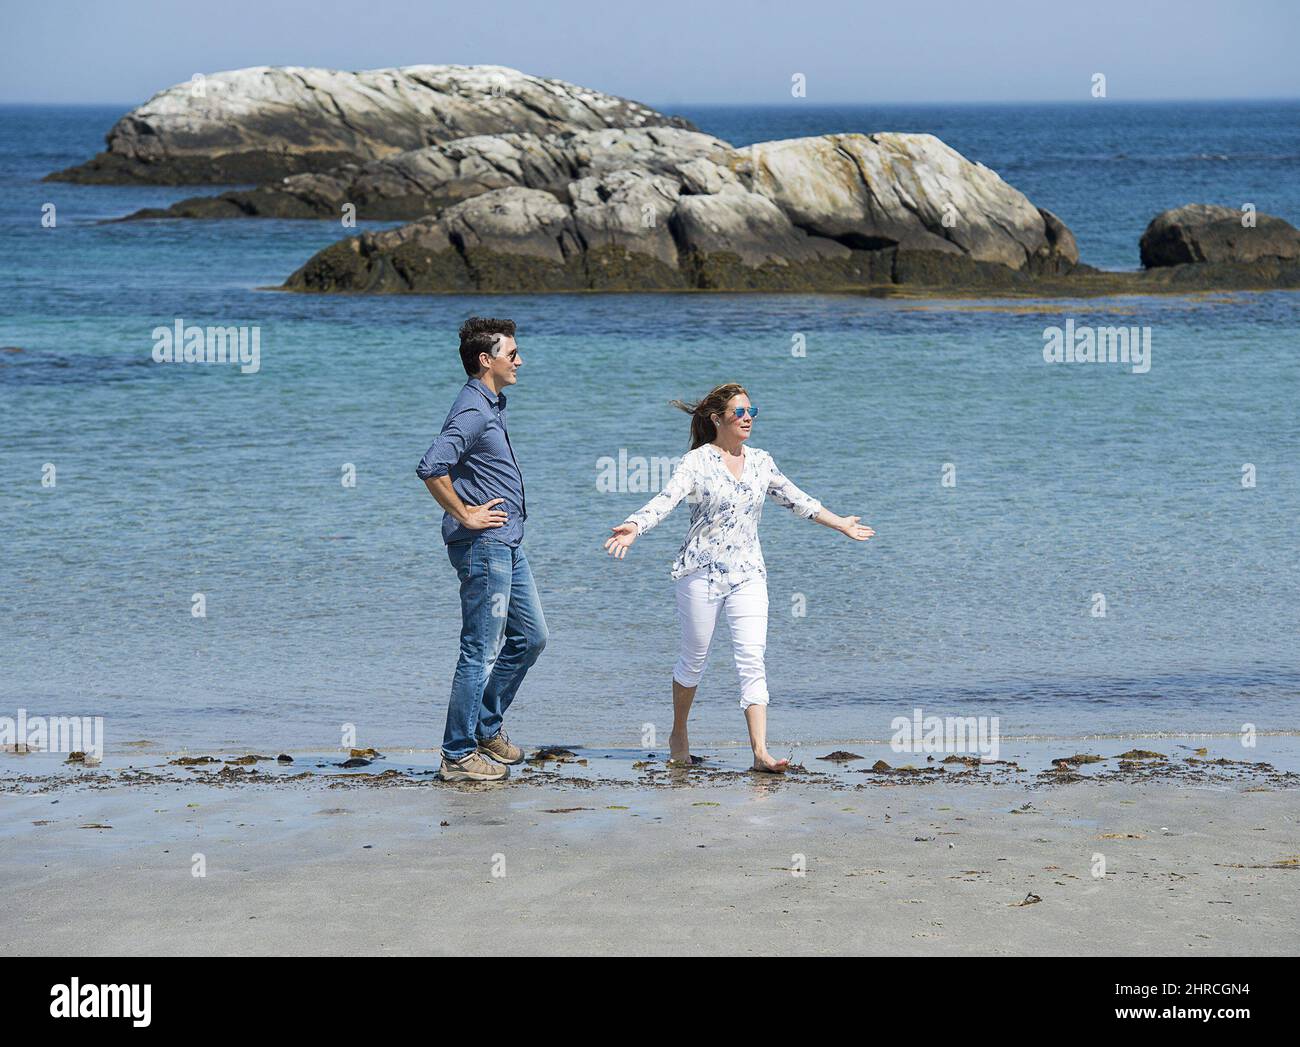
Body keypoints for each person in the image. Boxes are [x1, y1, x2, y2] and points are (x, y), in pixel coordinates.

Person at [605, 383, 872, 773]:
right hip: (700, 574)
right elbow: (667, 499)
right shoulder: (697, 462)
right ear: (717, 419)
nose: (747, 418)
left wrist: (841, 524)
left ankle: (760, 751)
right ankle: (679, 732)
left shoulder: (762, 462)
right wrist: (634, 525)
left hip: (749, 575)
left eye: (752, 411)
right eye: (739, 412)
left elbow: (798, 500)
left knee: (752, 659)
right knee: (694, 660)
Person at [417, 317, 547, 782]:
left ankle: (486, 727)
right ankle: (456, 754)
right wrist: (467, 515)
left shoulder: (491, 403)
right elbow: (432, 466)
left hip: (507, 543)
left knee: (531, 638)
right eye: (512, 354)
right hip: (482, 545)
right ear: (484, 360)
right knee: (479, 650)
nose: (520, 360)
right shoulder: (472, 409)